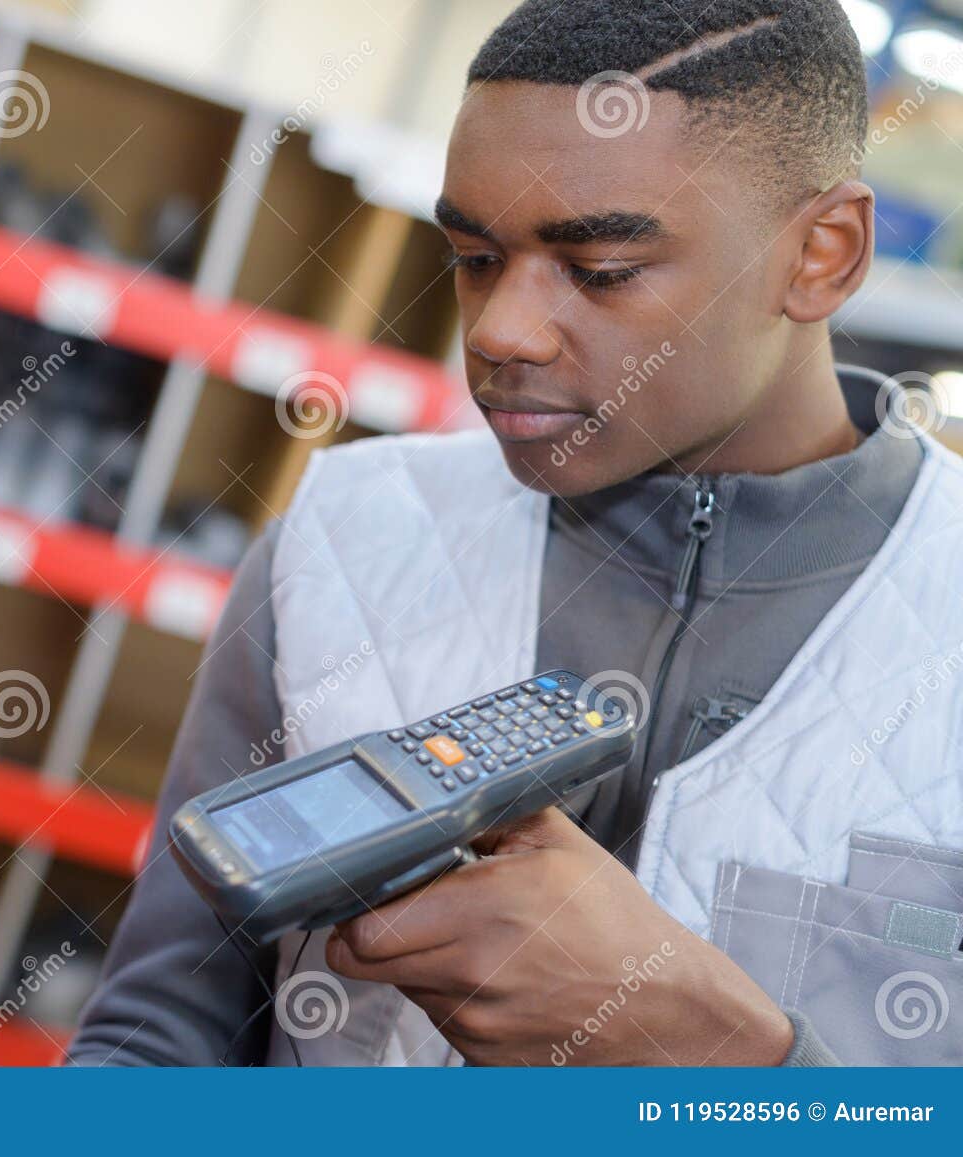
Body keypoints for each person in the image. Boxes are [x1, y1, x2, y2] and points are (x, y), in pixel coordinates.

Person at [66, 0, 963, 1067]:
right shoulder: (346, 540)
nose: (500, 331)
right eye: (474, 255)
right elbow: (156, 1032)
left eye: (600, 269)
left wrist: (729, 1053)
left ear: (821, 253)